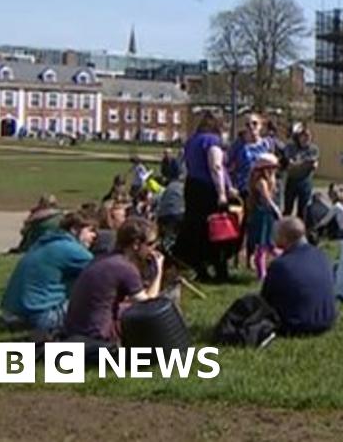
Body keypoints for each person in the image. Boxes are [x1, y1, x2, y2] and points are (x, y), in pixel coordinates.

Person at [62, 218, 164, 343]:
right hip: (97, 335)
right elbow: (149, 305)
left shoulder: (105, 258)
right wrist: (159, 272)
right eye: (151, 244)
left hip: (74, 329)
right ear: (136, 245)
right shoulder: (125, 268)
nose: (154, 249)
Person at [1, 212, 97, 337]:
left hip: (13, 314)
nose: (94, 236)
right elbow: (103, 273)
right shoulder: (70, 249)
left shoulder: (45, 243)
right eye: (90, 231)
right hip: (39, 317)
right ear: (74, 229)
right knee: (98, 301)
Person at [174, 111, 231, 282]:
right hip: (208, 188)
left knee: (195, 228)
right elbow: (216, 166)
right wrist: (222, 192)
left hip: (192, 186)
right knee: (216, 229)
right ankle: (219, 268)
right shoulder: (212, 141)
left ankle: (199, 267)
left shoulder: (192, 140)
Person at [260, 217, 337, 336]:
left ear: (285, 238)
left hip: (294, 325)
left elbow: (265, 301)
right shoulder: (322, 256)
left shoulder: (280, 266)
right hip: (327, 321)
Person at [248, 154, 284, 280]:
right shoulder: (261, 182)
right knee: (262, 246)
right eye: (272, 168)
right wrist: (277, 210)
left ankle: (285, 264)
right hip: (262, 215)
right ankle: (261, 274)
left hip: (268, 216)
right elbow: (267, 199)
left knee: (271, 245)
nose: (274, 170)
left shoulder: (270, 180)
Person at [282, 128, 319, 219]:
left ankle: (300, 230)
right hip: (292, 180)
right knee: (288, 208)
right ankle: (285, 229)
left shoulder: (313, 149)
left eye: (308, 136)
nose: (306, 138)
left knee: (303, 209)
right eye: (304, 136)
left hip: (305, 181)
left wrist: (298, 164)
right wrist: (303, 164)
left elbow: (313, 164)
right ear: (299, 137)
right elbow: (290, 163)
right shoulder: (291, 147)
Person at [155, 161, 186, 251]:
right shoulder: (182, 186)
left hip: (164, 216)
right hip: (178, 215)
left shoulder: (168, 188)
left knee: (167, 234)